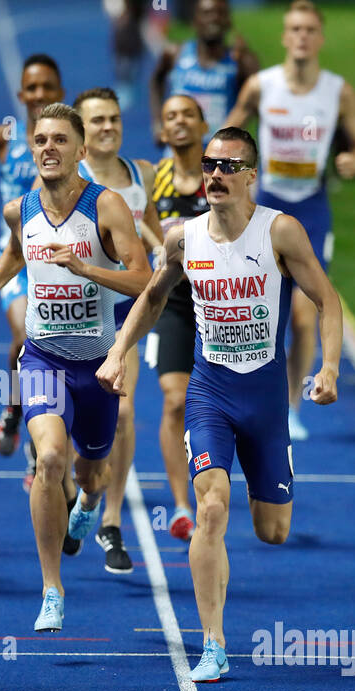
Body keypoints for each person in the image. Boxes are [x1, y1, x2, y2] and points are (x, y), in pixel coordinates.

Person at [99, 127, 343, 682]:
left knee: (272, 531)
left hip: (265, 397)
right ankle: (213, 642)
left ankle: (275, 469)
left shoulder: (280, 232)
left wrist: (328, 367)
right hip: (210, 393)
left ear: (252, 175)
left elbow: (327, 301)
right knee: (210, 508)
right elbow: (152, 297)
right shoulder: (183, 239)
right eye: (210, 165)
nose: (215, 175)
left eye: (229, 166)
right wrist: (117, 352)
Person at [0, 103, 150, 632]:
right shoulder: (21, 210)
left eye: (60, 139)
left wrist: (85, 269)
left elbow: (143, 279)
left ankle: (89, 504)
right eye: (40, 140)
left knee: (93, 472)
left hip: (98, 366)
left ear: (81, 150)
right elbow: (17, 254)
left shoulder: (107, 206)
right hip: (43, 358)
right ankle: (52, 588)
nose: (48, 148)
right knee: (51, 458)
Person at [225, 0, 355, 440]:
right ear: (285, 37)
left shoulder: (338, 91)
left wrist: (353, 161)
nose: (302, 37)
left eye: (310, 29)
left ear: (320, 38)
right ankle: (246, 396)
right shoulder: (261, 86)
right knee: (259, 311)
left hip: (311, 210)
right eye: (295, 29)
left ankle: (290, 406)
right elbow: (228, 135)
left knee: (305, 319)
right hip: (266, 206)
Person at [73, 86, 164, 573]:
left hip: (125, 311)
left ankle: (110, 520)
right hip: (76, 312)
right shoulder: (70, 178)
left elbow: (151, 232)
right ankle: (77, 490)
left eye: (114, 118)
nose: (108, 126)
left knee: (124, 412)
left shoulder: (141, 172)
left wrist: (167, 252)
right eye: (97, 120)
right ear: (80, 131)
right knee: (73, 414)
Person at [0, 54, 65, 467]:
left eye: (47, 87)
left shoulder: (71, 139)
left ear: (60, 92)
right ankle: (16, 409)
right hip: (18, 260)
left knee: (59, 349)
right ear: (21, 94)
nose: (39, 94)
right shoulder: (2, 137)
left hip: (62, 259)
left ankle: (41, 432)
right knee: (26, 338)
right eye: (32, 87)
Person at [148, 93, 211, 541]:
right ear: (162, 129)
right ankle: (182, 506)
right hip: (172, 302)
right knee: (174, 400)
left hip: (221, 306)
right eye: (171, 116)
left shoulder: (221, 176)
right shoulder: (154, 178)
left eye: (188, 114)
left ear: (204, 124)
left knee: (216, 406)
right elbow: (144, 227)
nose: (179, 121)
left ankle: (217, 485)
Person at [150, 0, 257, 147]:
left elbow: (257, 98)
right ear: (194, 20)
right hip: (179, 151)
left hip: (218, 153)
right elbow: (156, 81)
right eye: (207, 13)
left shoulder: (238, 61)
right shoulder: (175, 53)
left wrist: (248, 58)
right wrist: (158, 124)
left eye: (220, 13)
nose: (214, 18)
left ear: (228, 21)